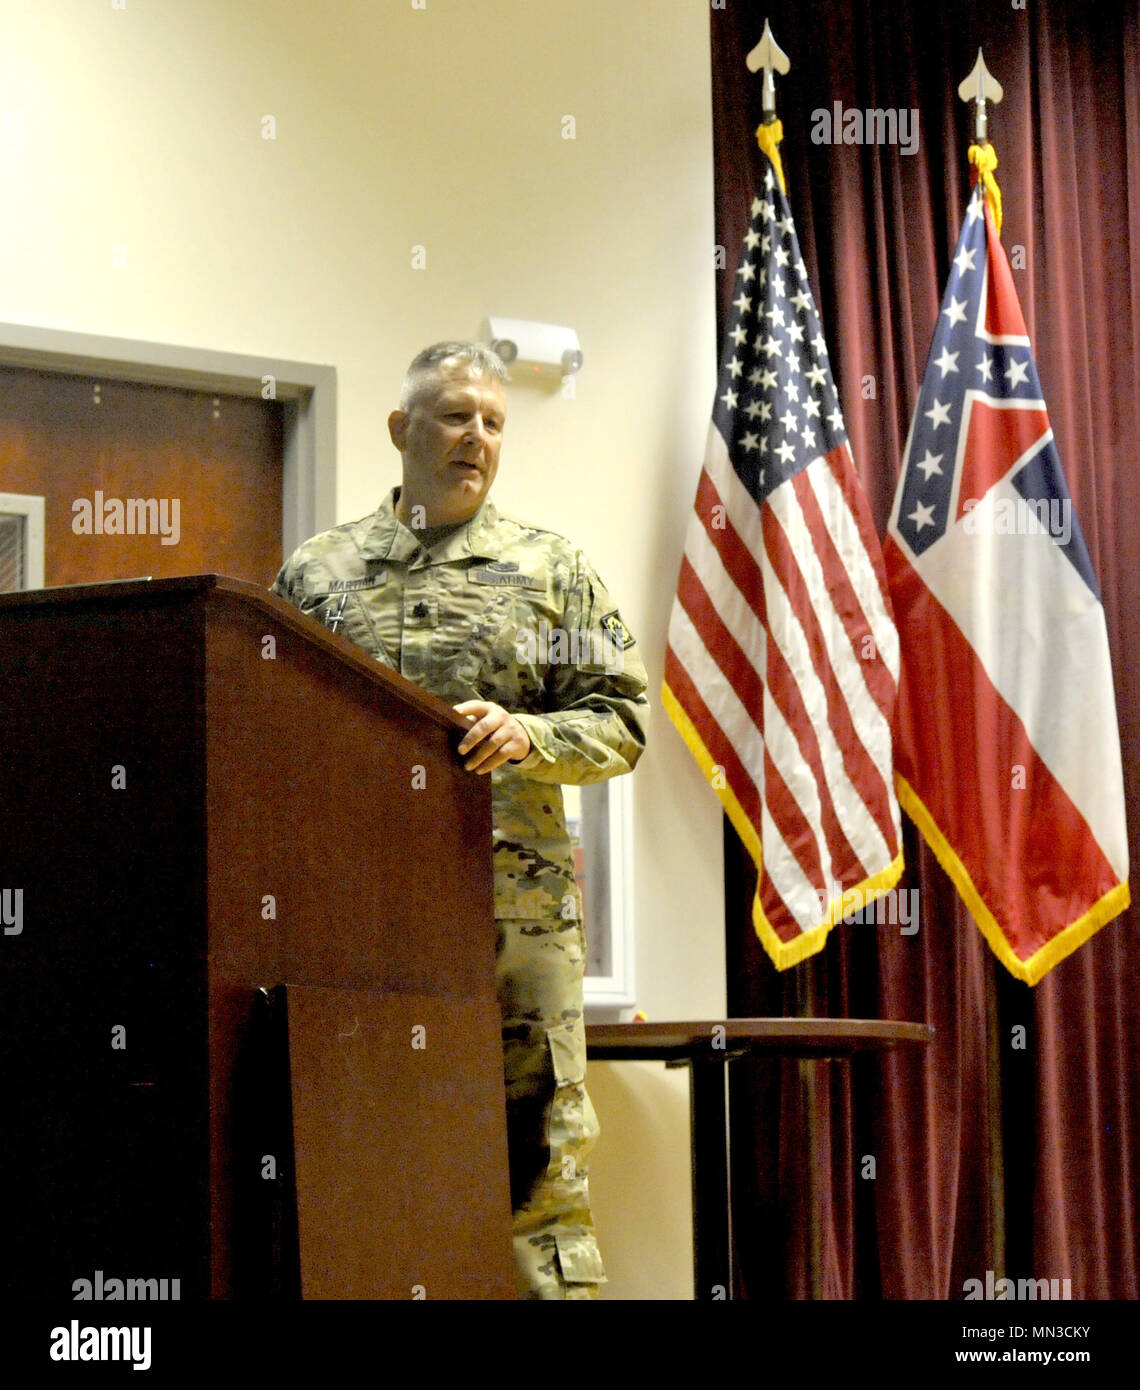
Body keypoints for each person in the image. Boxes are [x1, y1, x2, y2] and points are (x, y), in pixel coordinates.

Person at [271, 341, 649, 1299]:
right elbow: (266, 719)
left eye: (492, 421)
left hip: (514, 919)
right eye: (454, 416)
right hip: (356, 919)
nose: (476, 436)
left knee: (539, 1158)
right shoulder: (319, 574)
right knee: (364, 1142)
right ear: (401, 430)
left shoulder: (552, 569)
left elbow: (624, 722)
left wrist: (526, 736)